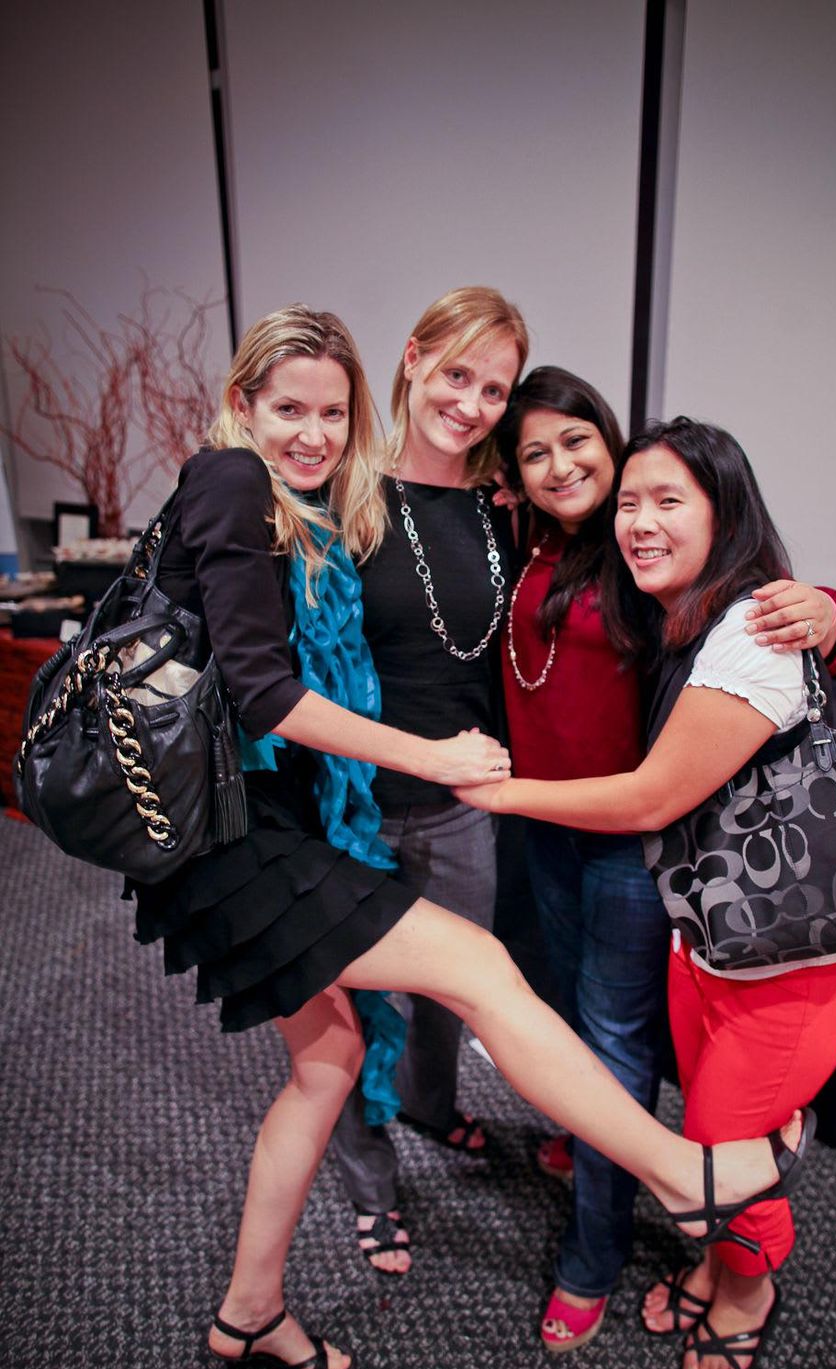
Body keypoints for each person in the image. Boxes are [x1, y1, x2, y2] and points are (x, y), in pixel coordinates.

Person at [129, 309, 810, 1369]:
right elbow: (265, 689)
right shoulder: (236, 480)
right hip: (240, 828)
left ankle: (248, 1312)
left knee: (329, 1055)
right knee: (475, 979)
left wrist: (823, 612)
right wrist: (435, 756)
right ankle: (684, 1177)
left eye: (328, 413)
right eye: (289, 410)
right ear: (244, 404)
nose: (311, 432)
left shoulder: (424, 508)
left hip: (275, 818)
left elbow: (715, 579)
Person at [457, 414, 836, 1369]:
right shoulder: (684, 609)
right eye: (631, 506)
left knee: (725, 1153)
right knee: (699, 1128)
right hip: (715, 936)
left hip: (787, 959)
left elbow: (650, 795)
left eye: (666, 502)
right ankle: (711, 1266)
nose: (639, 523)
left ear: (721, 511)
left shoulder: (745, 632)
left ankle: (744, 1298)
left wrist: (502, 792)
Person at [327, 287, 528, 1275]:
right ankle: (368, 1184)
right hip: (351, 804)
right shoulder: (345, 494)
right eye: (456, 374)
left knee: (454, 994)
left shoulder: (501, 510)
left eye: (494, 388)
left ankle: (433, 1105)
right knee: (354, 1005)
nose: (472, 402)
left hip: (462, 807)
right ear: (410, 359)